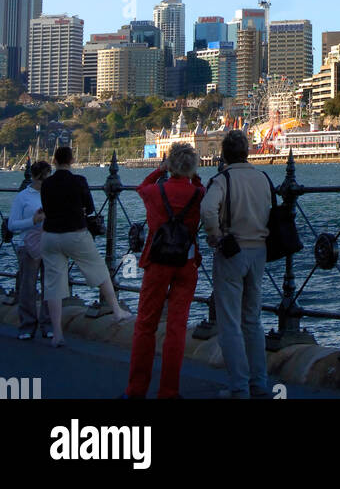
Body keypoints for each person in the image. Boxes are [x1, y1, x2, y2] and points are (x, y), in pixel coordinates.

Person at [124, 142, 204, 400]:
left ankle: (136, 389)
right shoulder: (198, 194)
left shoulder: (155, 193)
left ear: (170, 165)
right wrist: (194, 176)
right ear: (191, 167)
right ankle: (169, 391)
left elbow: (141, 187)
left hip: (157, 261)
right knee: (177, 328)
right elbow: (201, 186)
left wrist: (160, 170)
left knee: (146, 324)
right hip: (186, 261)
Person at [200, 130, 272, 399]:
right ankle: (259, 382)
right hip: (259, 250)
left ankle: (239, 386)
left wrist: (215, 235)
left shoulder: (222, 179)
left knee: (230, 321)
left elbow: (207, 209)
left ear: (224, 154)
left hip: (232, 250)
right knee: (252, 319)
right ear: (248, 152)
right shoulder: (262, 178)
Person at [39, 145, 131, 346]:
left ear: (54, 161)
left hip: (50, 235)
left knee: (53, 286)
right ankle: (116, 311)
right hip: (74, 233)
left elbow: (46, 208)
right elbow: (89, 208)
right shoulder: (78, 181)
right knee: (99, 270)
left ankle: (57, 333)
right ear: (71, 161)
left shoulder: (46, 184)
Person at [8, 160, 52, 339]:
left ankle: (47, 323)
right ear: (34, 177)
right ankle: (27, 324)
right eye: (41, 179)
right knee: (28, 286)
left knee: (50, 285)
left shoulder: (52, 195)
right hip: (28, 244)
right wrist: (32, 221)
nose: (44, 182)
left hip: (49, 243)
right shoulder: (23, 197)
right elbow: (12, 225)